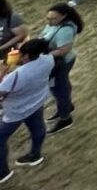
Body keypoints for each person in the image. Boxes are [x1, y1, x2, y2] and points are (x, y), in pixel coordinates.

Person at [0, 39, 53, 178]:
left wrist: (6, 67)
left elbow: (1, 90)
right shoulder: (48, 59)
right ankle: (35, 155)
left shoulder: (17, 75)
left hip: (17, 110)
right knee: (38, 128)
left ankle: (3, 173)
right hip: (36, 101)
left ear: (27, 56)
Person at [37, 4, 80, 134]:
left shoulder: (65, 30)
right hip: (55, 62)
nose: (49, 22)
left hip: (61, 63)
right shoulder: (54, 24)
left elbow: (62, 51)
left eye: (53, 19)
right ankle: (67, 106)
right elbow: (44, 34)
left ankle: (65, 118)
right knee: (63, 84)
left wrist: (42, 55)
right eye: (48, 18)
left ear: (63, 16)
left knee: (59, 88)